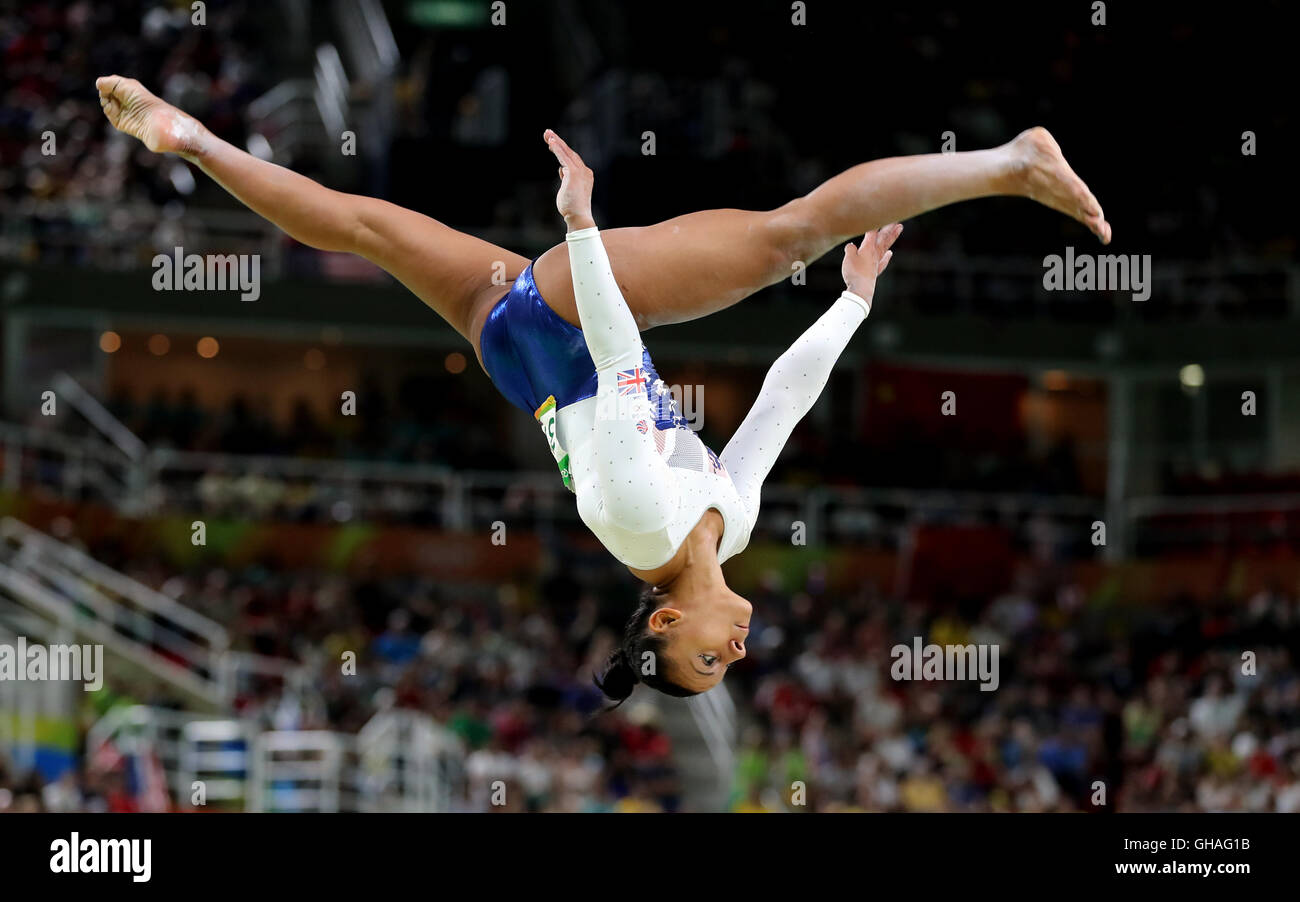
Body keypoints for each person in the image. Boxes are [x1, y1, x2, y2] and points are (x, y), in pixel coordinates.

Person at [95, 75, 1110, 702]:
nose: (737, 649)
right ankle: (189, 139)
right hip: (516, 343)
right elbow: (777, 407)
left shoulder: (636, 521)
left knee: (787, 234)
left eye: (712, 659)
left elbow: (623, 360)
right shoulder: (729, 524)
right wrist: (850, 303)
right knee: (360, 225)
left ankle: (1006, 163)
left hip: (574, 321)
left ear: (665, 623)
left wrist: (581, 228)